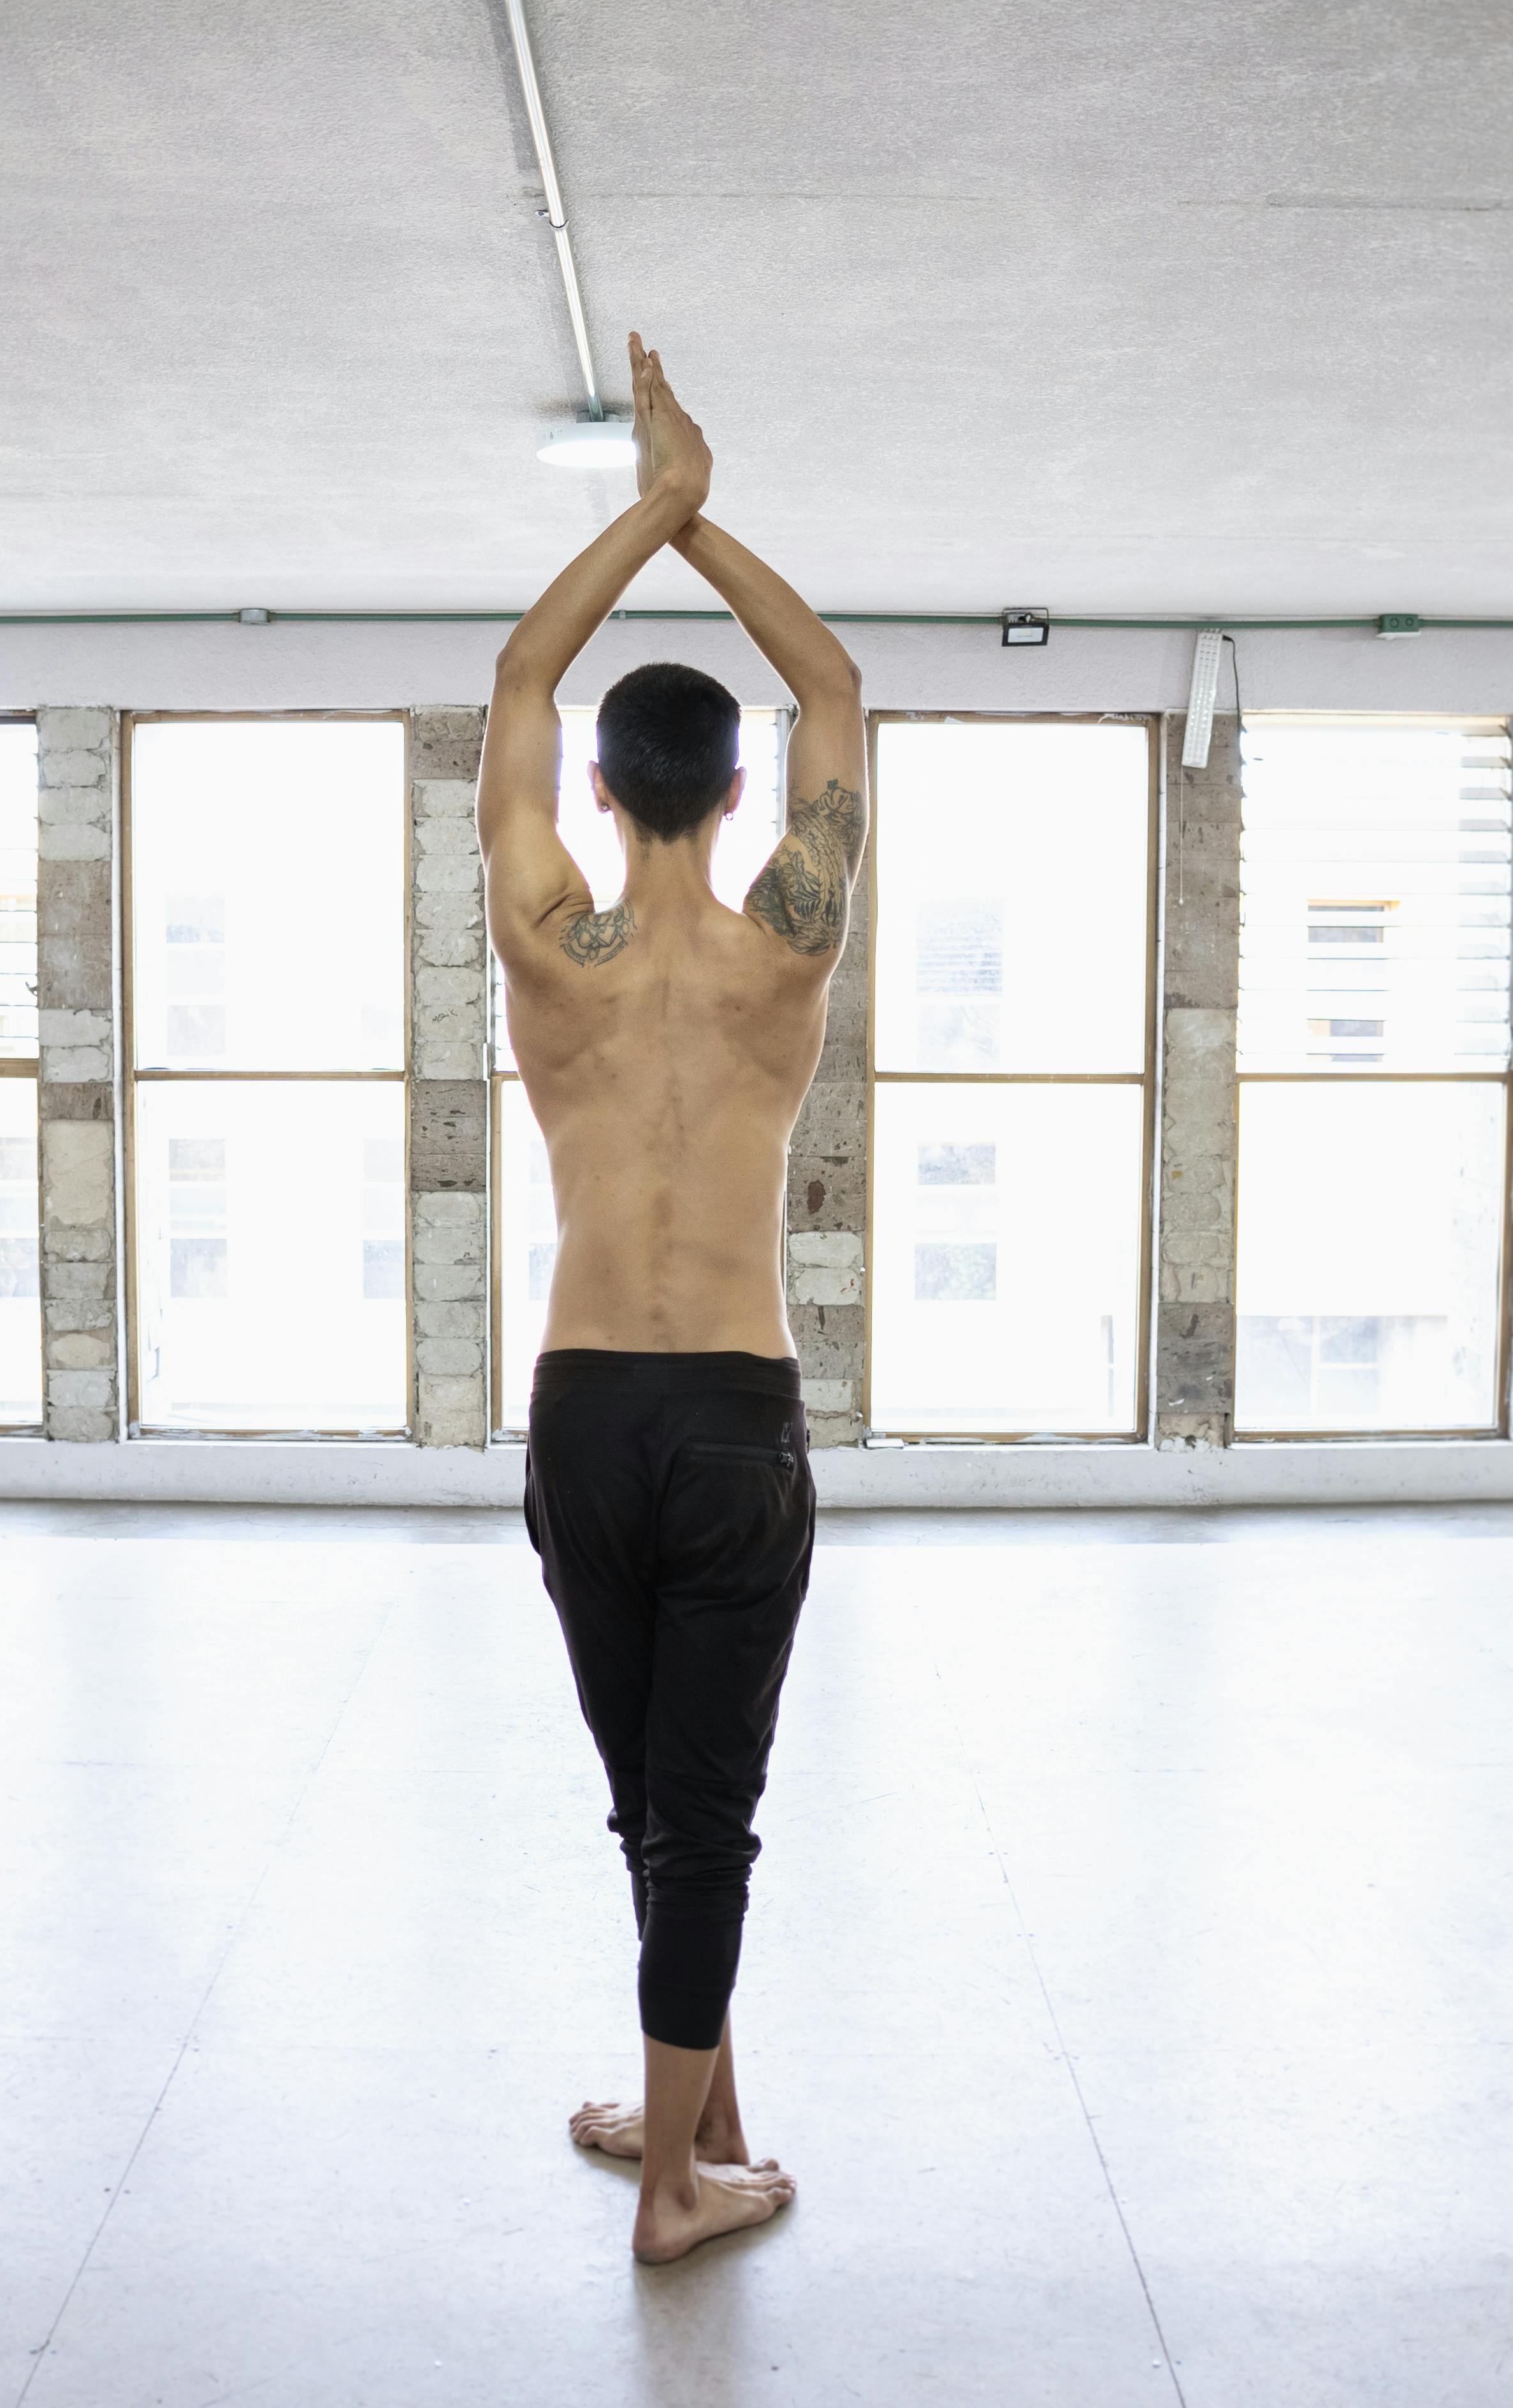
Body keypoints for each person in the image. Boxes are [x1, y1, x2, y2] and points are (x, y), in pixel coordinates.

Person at [477, 335, 867, 2263]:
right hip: (730, 1416)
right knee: (697, 1804)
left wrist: (645, 508)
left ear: (611, 794)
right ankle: (673, 2187)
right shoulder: (782, 951)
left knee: (656, 1795)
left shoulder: (551, 939)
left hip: (580, 1416)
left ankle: (688, 2114)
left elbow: (519, 679)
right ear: (730, 795)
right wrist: (706, 521)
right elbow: (839, 688)